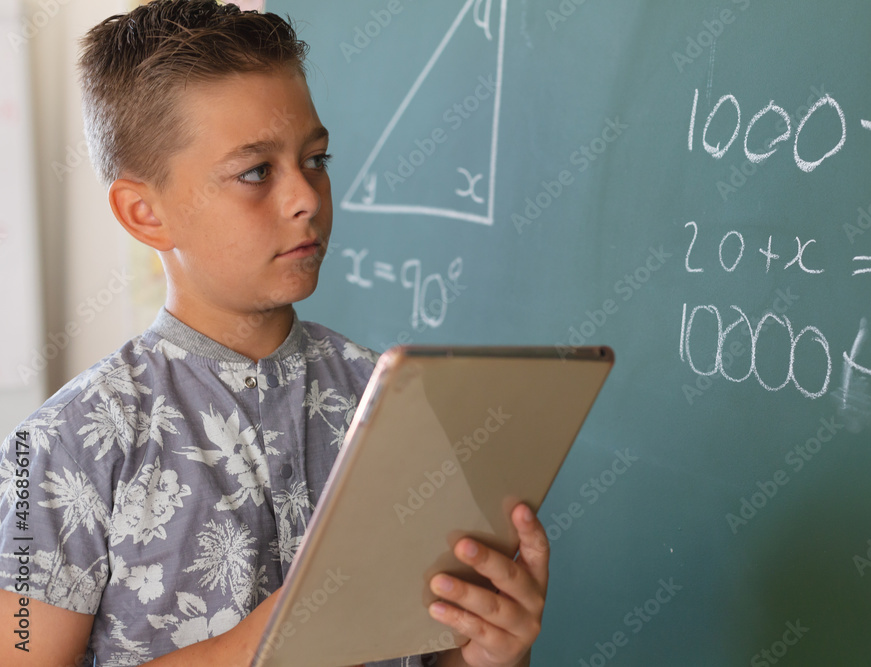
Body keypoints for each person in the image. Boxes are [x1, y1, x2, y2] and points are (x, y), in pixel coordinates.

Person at [0, 2, 548, 665]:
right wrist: (253, 646)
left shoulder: (396, 403)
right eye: (256, 171)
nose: (306, 197)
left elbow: (433, 646)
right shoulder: (57, 448)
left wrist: (491, 653)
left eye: (316, 158)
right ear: (145, 213)